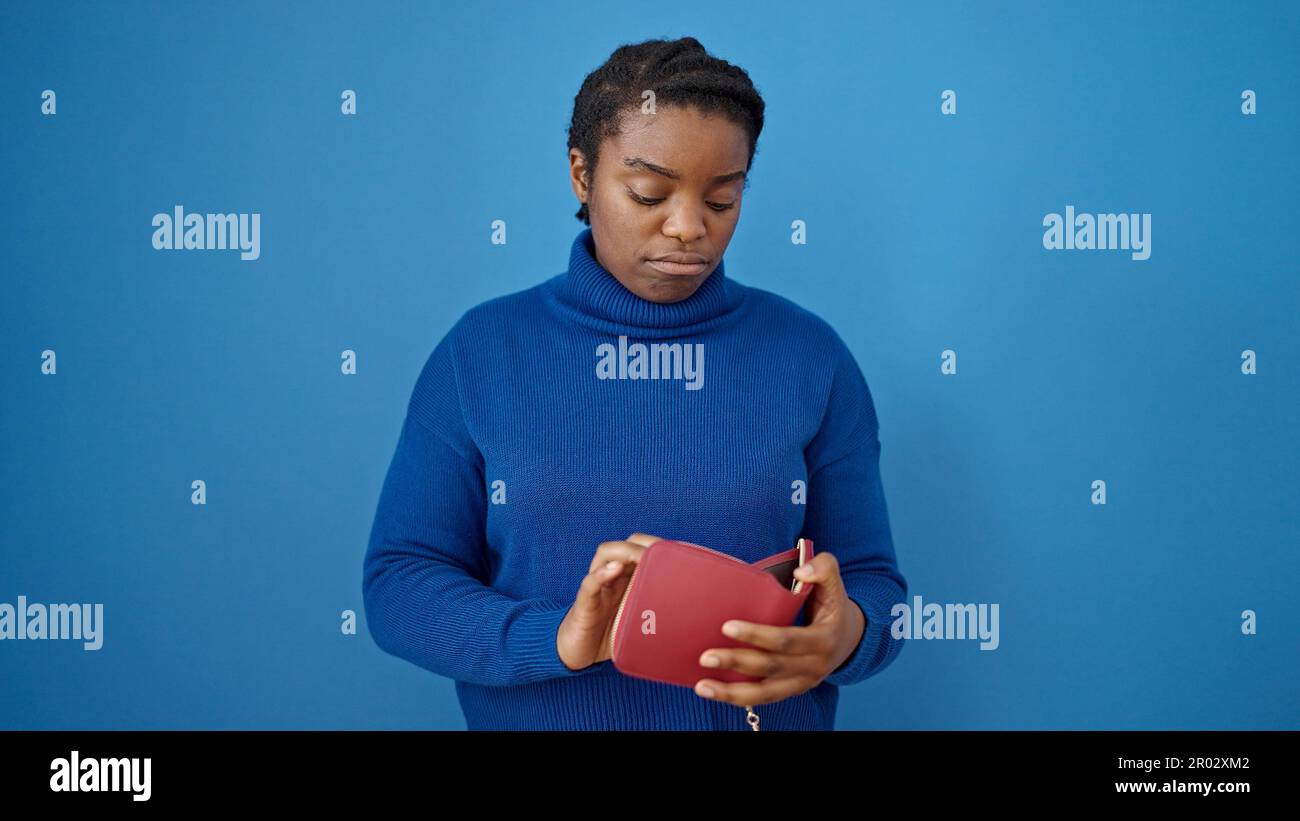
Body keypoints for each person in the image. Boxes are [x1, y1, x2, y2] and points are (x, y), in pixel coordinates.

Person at [362, 36, 907, 730]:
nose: (688, 228)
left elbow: (873, 582)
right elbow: (401, 583)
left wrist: (846, 635)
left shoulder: (809, 357)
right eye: (649, 192)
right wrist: (558, 638)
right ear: (581, 175)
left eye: (722, 198)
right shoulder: (482, 354)